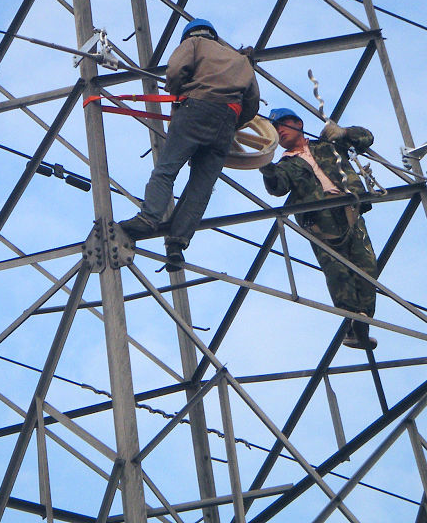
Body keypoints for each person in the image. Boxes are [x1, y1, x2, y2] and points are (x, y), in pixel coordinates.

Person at [118, 19, 260, 271]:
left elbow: (174, 71)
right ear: (214, 35)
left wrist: (177, 92)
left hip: (195, 108)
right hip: (226, 123)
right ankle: (177, 243)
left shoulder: (193, 44)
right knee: (201, 186)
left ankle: (148, 218)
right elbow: (252, 105)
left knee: (167, 169)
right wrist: (230, 121)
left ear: (189, 35)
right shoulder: (242, 60)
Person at [259, 108, 380, 349]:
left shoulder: (328, 146)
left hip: (349, 209)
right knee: (337, 270)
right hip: (320, 220)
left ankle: (362, 323)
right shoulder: (286, 165)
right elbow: (277, 187)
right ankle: (352, 322)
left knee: (367, 265)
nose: (280, 130)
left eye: (283, 124)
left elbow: (366, 138)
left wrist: (343, 132)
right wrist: (264, 164)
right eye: (275, 128)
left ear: (298, 124)